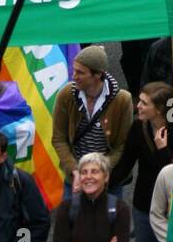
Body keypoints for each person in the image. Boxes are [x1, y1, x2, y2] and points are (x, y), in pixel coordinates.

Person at [110, 81, 173, 242]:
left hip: (170, 212)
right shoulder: (138, 128)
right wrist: (100, 182)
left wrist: (162, 151)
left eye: (144, 103)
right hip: (143, 207)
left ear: (159, 109)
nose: (138, 106)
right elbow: (125, 164)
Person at [51, 45, 133, 189]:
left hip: (108, 179)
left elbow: (121, 145)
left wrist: (98, 172)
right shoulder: (66, 95)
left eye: (80, 72)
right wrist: (76, 171)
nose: (74, 76)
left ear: (98, 75)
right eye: (74, 70)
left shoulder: (122, 100)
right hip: (75, 177)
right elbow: (59, 138)